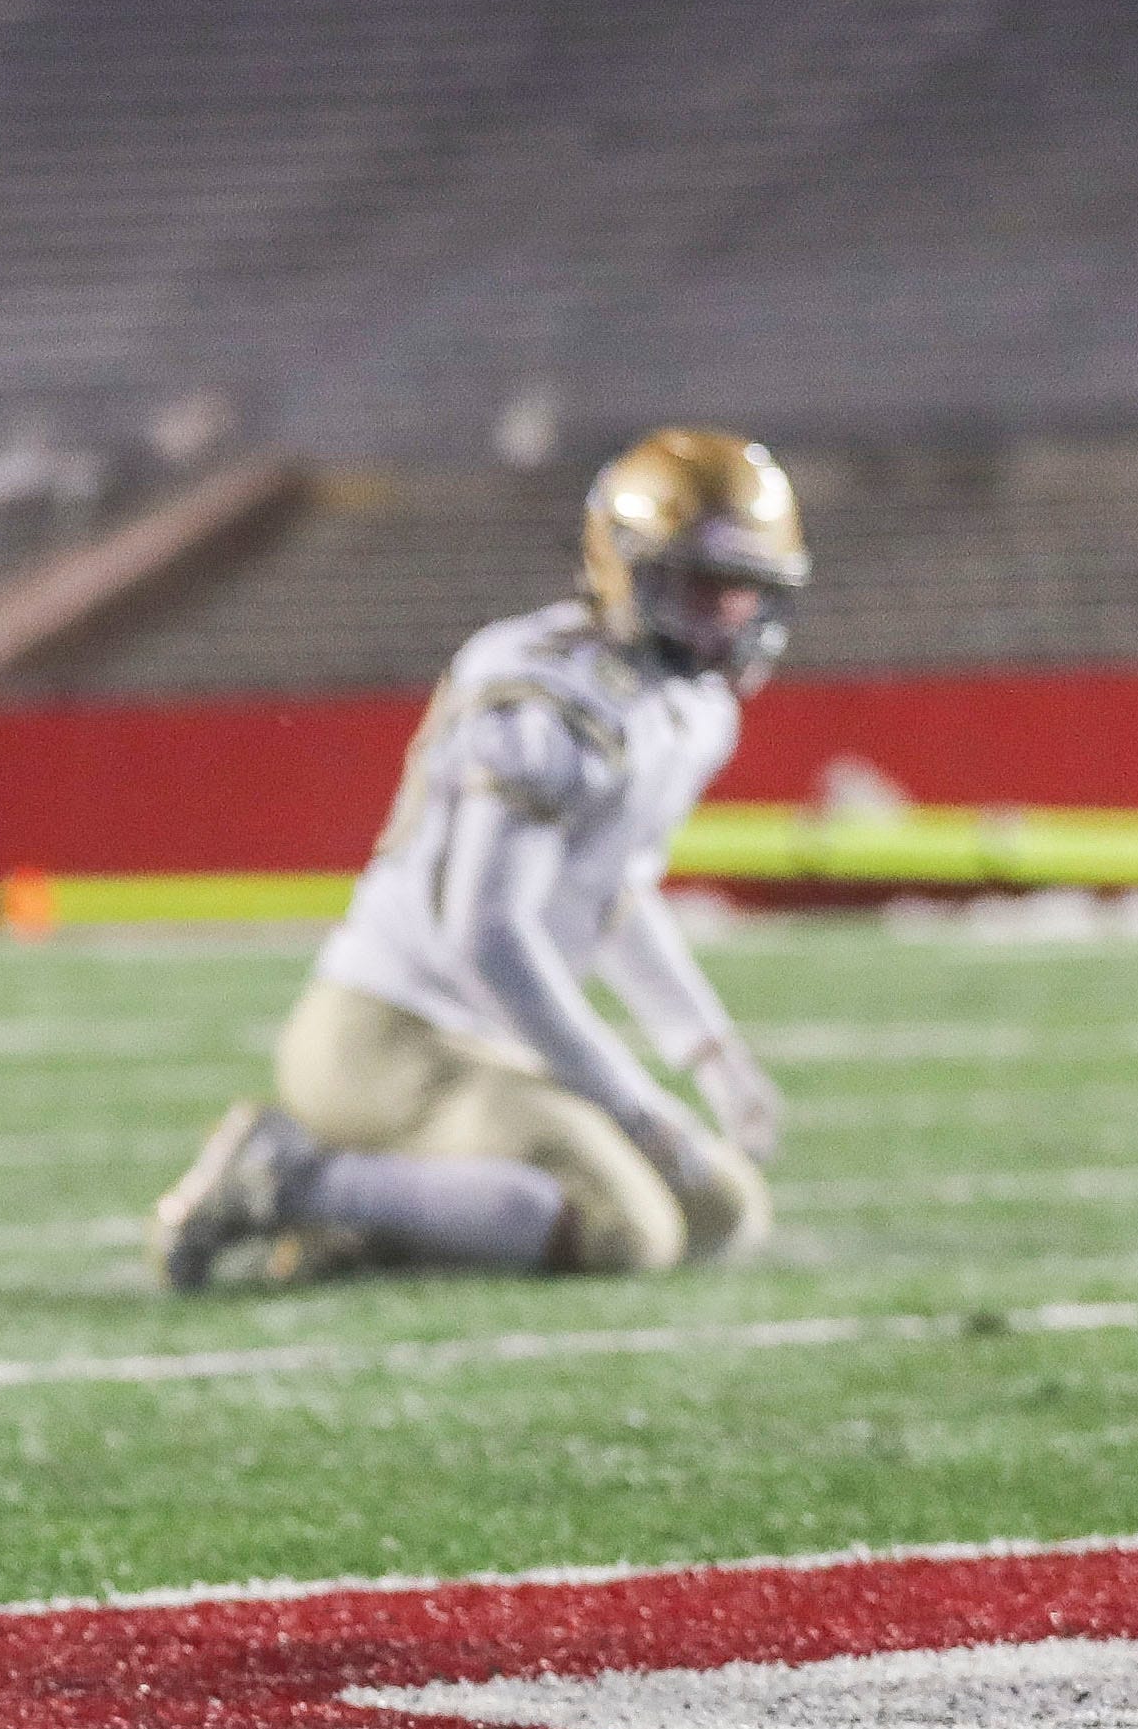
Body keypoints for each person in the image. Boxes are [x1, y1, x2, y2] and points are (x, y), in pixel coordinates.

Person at [151, 430, 801, 1292]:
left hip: (481, 1045)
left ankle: (364, 1231)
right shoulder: (548, 700)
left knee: (721, 1211)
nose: (726, 613)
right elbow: (483, 935)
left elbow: (612, 891)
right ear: (625, 564)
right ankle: (288, 1176)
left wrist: (707, 1050)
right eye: (702, 583)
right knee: (628, 1231)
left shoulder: (689, 708)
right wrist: (636, 1107)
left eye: (743, 588)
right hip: (385, 1035)